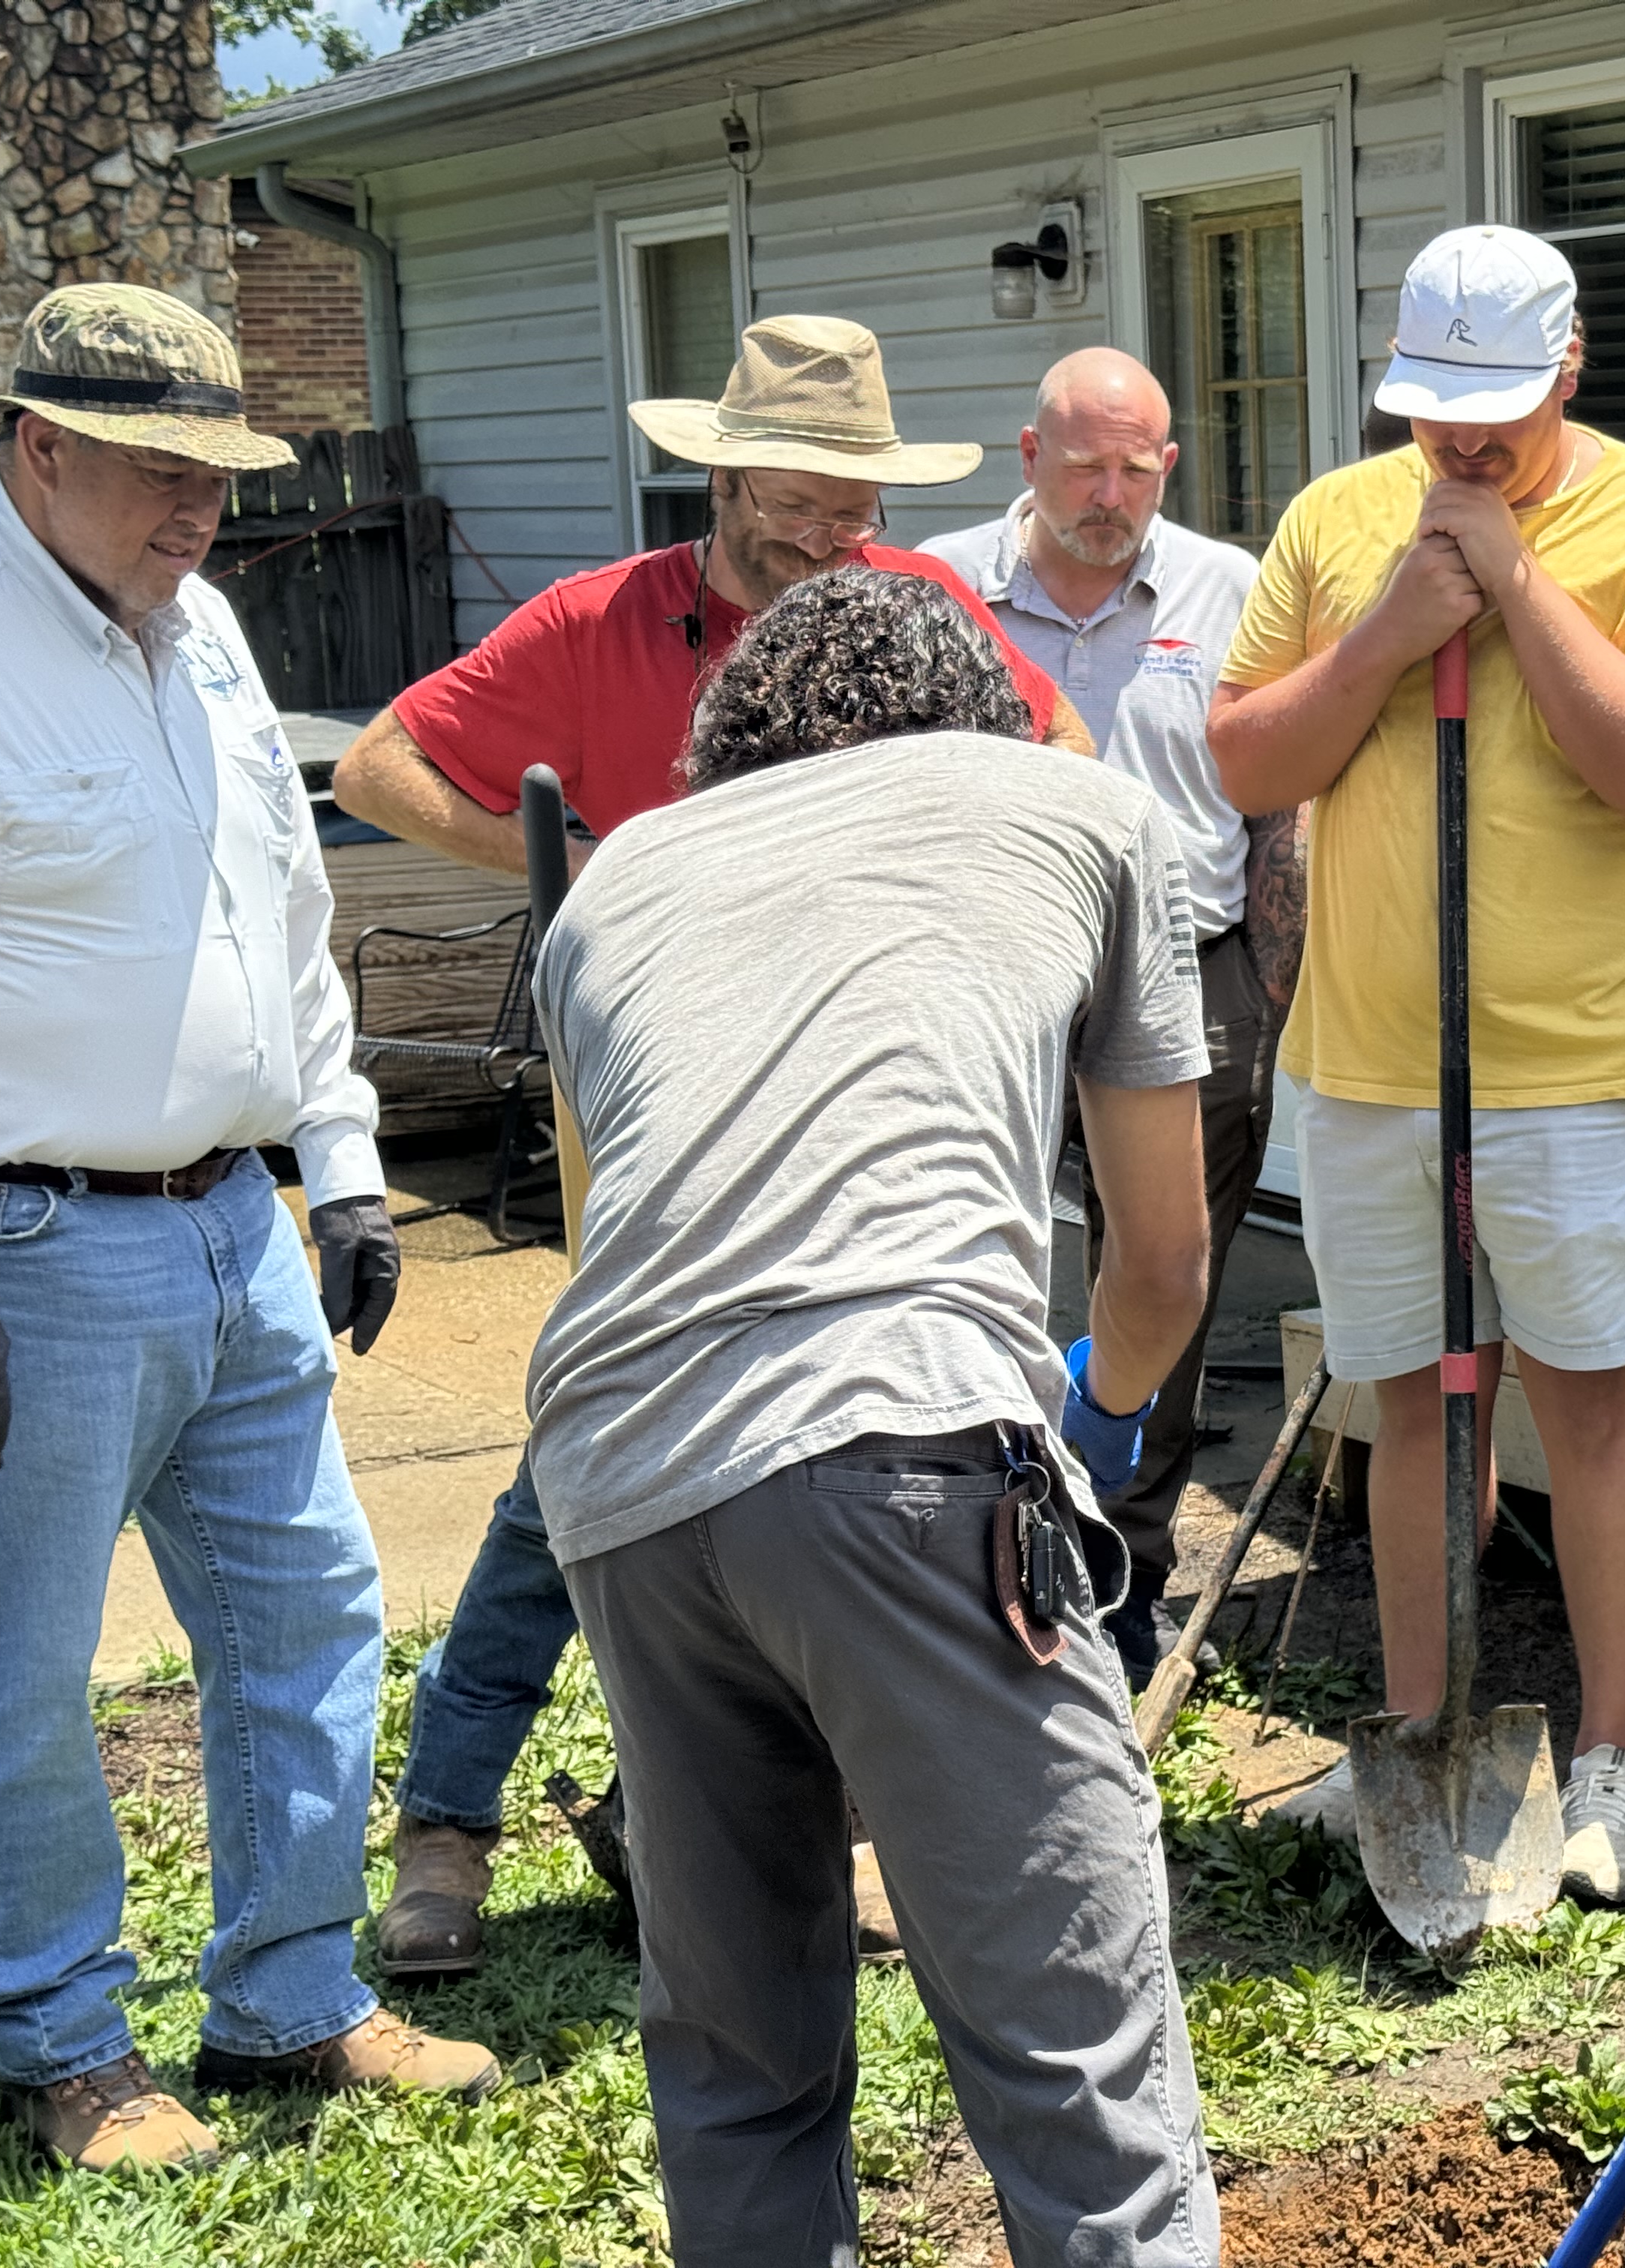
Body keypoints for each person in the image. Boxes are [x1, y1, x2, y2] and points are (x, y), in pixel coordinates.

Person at [0, 285, 495, 2174]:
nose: (203, 510)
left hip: (236, 1227)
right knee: (17, 1664)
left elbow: (274, 915)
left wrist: (339, 1161)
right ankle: (65, 2044)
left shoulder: (203, 632)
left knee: (310, 1611)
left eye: (220, 473)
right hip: (19, 1247)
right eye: (164, 472)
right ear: (36, 444)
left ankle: (288, 1998)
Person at [328, 313, 1084, 1978]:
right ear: (723, 468)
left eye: (854, 506)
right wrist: (574, 867)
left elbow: (1066, 768)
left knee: (834, 1475)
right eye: (799, 501)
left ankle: (796, 1819)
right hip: (659, 1126)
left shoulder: (915, 618)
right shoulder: (596, 625)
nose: (829, 537)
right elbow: (381, 763)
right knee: (588, 1470)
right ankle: (450, 1821)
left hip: (864, 1117)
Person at [524, 566, 1216, 2268]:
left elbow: (627, 1223)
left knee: (742, 2059)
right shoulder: (1082, 811)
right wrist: (1103, 1432)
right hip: (904, 1443)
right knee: (1080, 2073)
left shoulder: (613, 888)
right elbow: (1167, 1256)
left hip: (619, 1478)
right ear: (976, 712)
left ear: (729, 744)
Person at [1210, 225, 1625, 1904]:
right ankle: (1417, 1737)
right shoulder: (1333, 522)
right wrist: (1386, 632)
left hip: (1583, 1063)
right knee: (1414, 1407)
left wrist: (1513, 584)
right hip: (1376, 1060)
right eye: (1432, 413)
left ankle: (1608, 1761)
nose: (1458, 447)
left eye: (1496, 415)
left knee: (1590, 1399)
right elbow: (1247, 760)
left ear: (1569, 370)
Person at [922, 346, 1298, 1678]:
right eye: (1083, 463)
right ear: (1029, 457)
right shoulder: (945, 592)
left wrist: (1271, 990)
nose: (1109, 492)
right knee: (980, 1261)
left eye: (1136, 468)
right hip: (988, 977)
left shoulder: (1230, 591)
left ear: (1168, 468)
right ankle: (978, 1545)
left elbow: (1273, 810)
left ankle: (1120, 1569)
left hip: (1191, 976)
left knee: (1165, 1283)